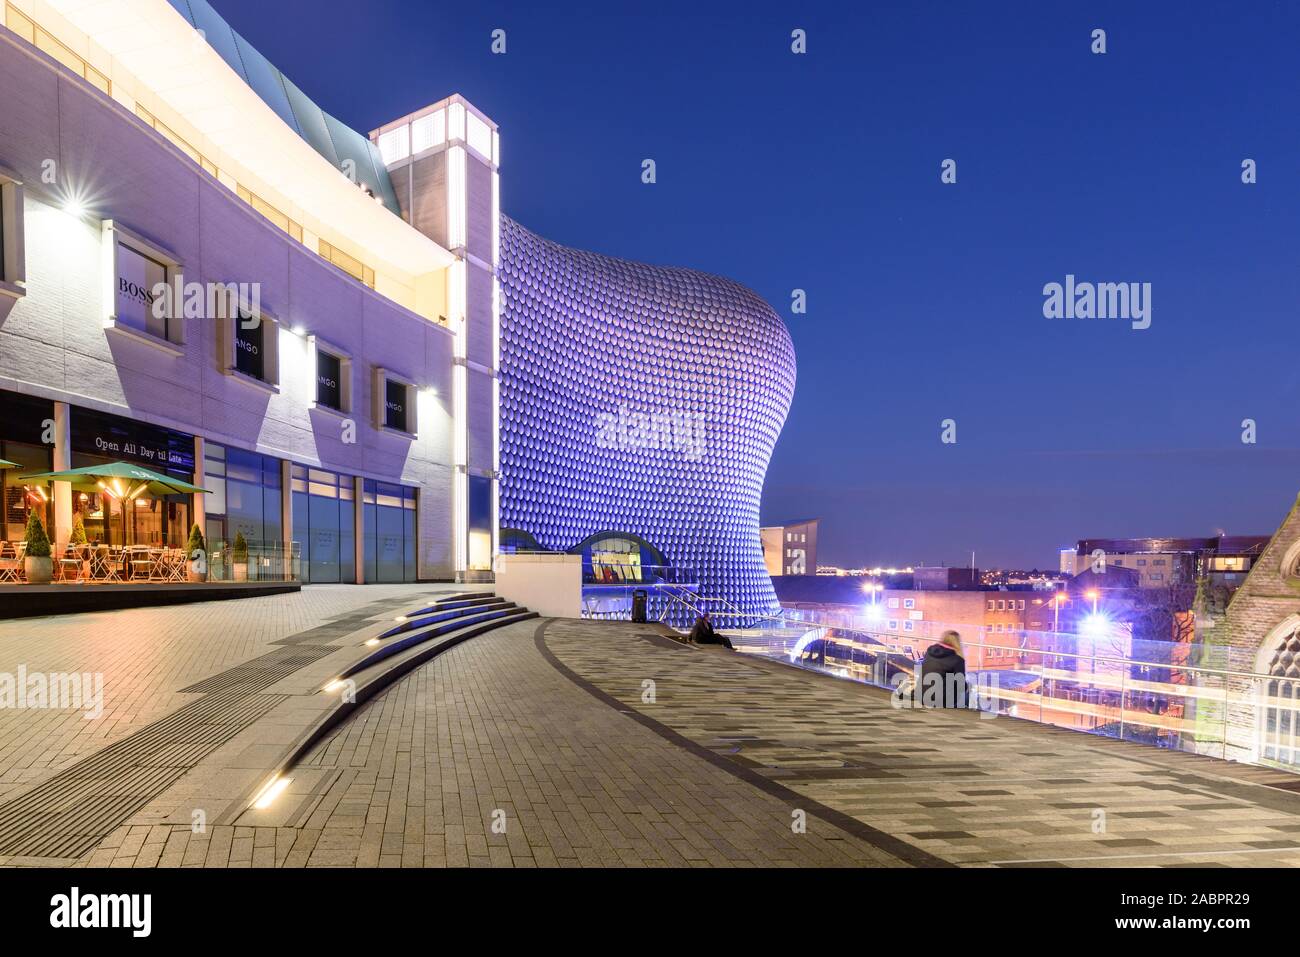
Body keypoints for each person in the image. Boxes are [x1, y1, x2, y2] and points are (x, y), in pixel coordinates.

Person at [918, 630, 967, 708]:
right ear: (958, 643)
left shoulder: (929, 651)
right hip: (941, 701)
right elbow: (960, 685)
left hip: (922, 696)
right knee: (966, 689)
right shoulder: (957, 659)